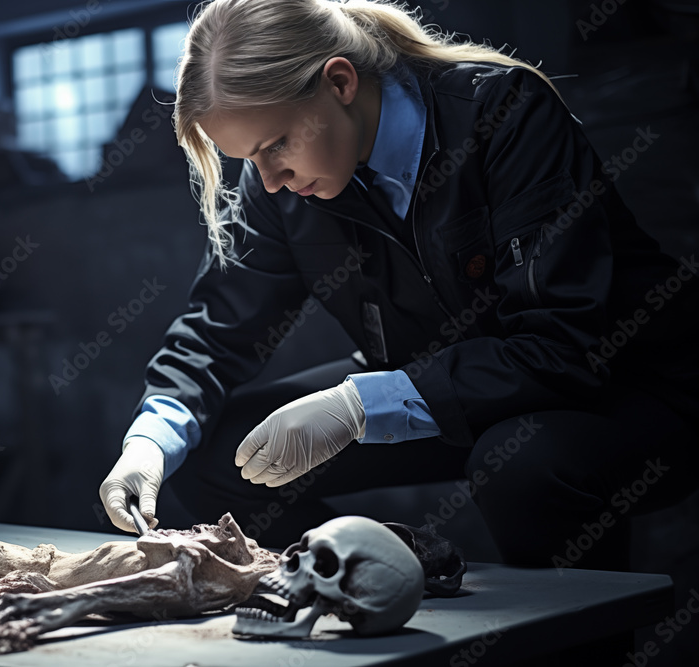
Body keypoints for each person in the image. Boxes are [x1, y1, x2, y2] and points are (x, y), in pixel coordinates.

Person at [99, 0, 699, 573]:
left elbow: (562, 345)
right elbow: (220, 324)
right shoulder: (281, 191)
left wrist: (360, 404)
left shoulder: (506, 115)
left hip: (614, 391)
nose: (272, 180)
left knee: (520, 462)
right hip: (445, 395)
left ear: (339, 82)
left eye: (277, 144)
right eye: (251, 159)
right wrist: (150, 441)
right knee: (214, 456)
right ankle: (362, 582)